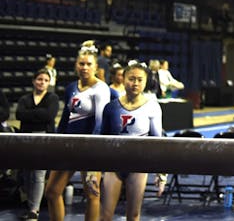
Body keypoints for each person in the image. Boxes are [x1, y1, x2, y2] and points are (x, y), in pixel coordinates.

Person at [45, 43, 111, 221]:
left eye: (89, 64)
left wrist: (93, 153)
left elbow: (99, 122)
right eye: (81, 64)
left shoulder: (101, 89)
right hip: (69, 145)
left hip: (90, 146)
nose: (85, 67)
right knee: (52, 192)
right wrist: (57, 144)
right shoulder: (71, 87)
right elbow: (65, 119)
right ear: (76, 65)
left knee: (92, 195)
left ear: (96, 67)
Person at [99, 62, 163, 221]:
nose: (135, 83)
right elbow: (101, 141)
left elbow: (158, 142)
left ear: (146, 81)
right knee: (105, 215)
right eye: (131, 79)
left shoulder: (152, 107)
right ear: (123, 79)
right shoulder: (111, 107)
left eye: (140, 80)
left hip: (138, 166)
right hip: (113, 165)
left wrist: (161, 174)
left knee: (133, 215)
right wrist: (94, 172)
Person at [15, 69, 59, 221]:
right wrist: (39, 114)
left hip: (44, 138)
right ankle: (30, 205)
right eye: (39, 79)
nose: (42, 82)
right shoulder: (25, 98)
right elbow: (19, 115)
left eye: (46, 80)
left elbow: (49, 115)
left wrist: (31, 115)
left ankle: (34, 210)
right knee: (27, 173)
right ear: (34, 81)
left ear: (49, 83)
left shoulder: (52, 98)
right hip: (26, 138)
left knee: (38, 174)